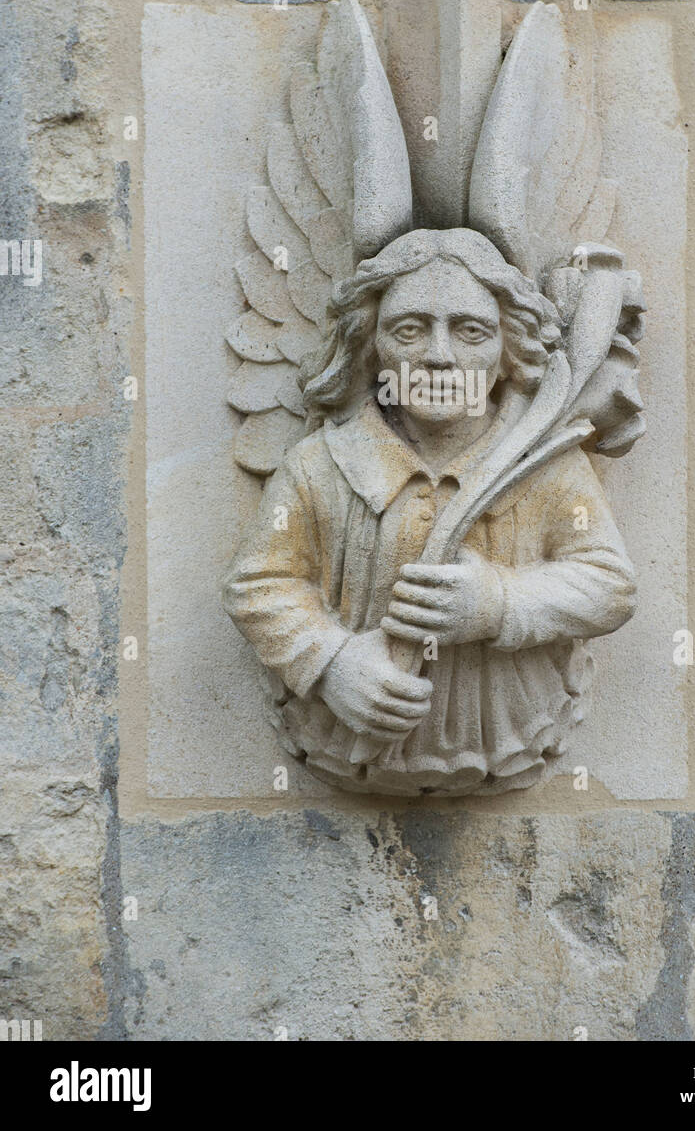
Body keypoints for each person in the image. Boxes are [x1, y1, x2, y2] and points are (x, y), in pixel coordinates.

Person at [223, 229, 636, 795]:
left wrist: (498, 603)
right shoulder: (323, 463)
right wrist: (332, 661)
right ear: (371, 349)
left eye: (471, 331)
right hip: (344, 748)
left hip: (511, 736)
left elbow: (610, 584)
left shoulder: (545, 465)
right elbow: (260, 583)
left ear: (507, 351)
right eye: (409, 329)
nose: (439, 356)